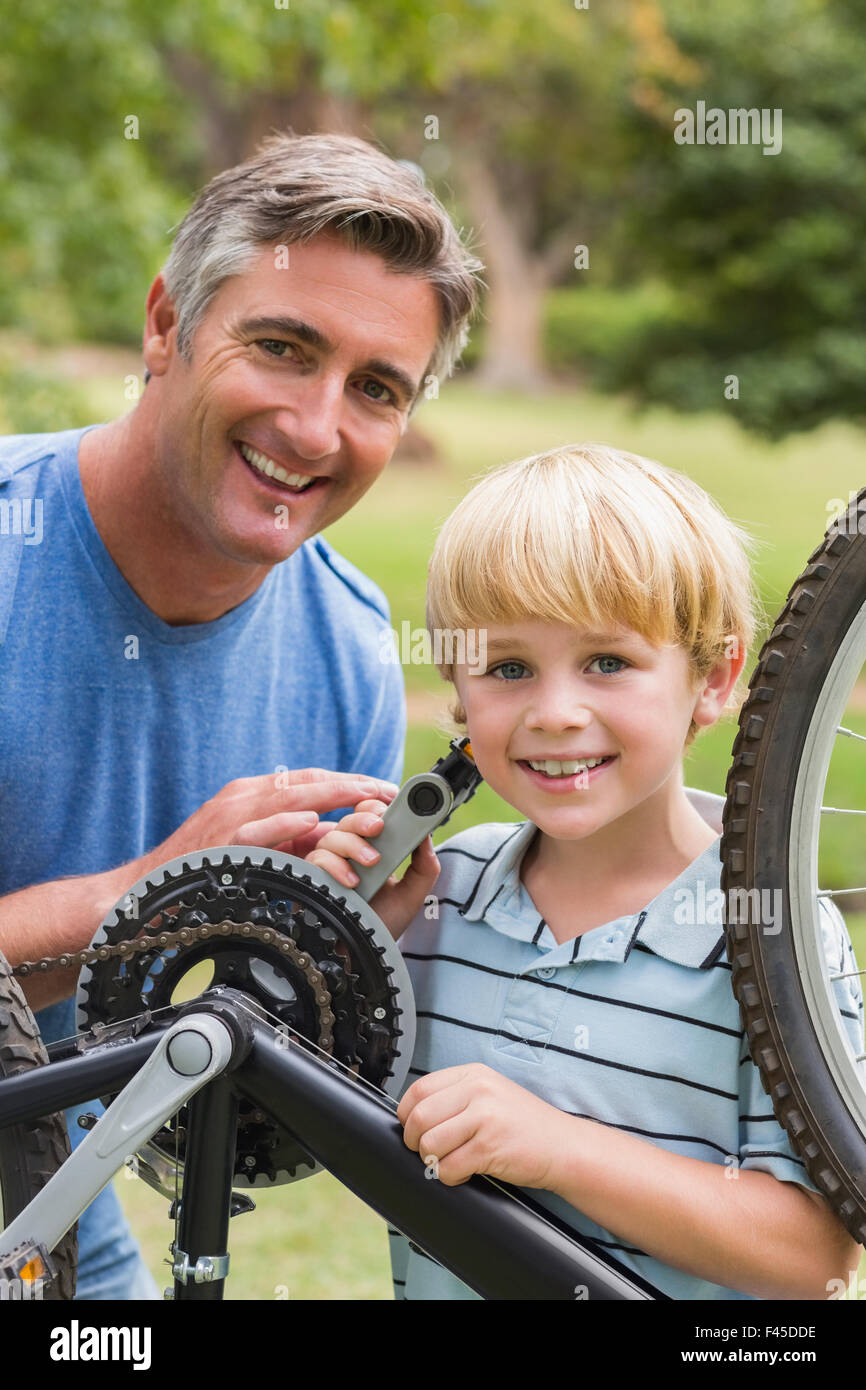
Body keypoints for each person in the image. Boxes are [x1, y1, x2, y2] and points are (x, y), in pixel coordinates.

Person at [0, 130, 483, 1298]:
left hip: (43, 1168)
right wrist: (148, 898)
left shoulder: (351, 651)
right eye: (281, 347)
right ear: (166, 325)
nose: (317, 430)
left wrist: (336, 947)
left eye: (375, 389)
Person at [308, 441, 865, 1300]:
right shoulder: (433, 901)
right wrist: (339, 949)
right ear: (458, 690)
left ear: (714, 678)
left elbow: (816, 1261)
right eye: (508, 668)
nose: (556, 713)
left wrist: (559, 1148)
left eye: (608, 662)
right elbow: (283, 1131)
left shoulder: (769, 929)